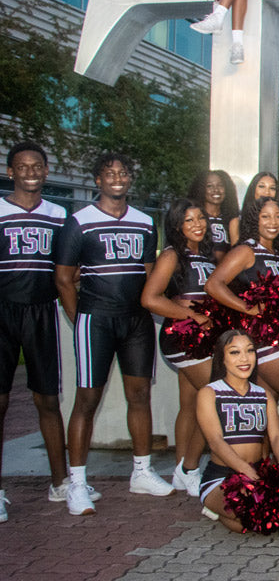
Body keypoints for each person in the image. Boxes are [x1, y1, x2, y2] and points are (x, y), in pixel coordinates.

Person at [55, 152, 173, 516]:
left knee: (139, 395)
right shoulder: (79, 222)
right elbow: (63, 278)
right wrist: (82, 320)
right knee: (87, 400)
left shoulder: (143, 222)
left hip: (136, 322)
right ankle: (76, 483)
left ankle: (141, 471)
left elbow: (150, 274)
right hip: (97, 319)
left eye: (123, 172)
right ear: (97, 180)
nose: (117, 178)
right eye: (110, 173)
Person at [0, 142, 71, 522]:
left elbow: (68, 270)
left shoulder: (59, 214)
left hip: (42, 312)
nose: (30, 171)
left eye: (37, 165)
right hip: (3, 311)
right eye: (22, 165)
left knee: (47, 400)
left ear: (45, 171)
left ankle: (60, 482)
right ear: (11, 171)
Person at [140, 199, 218, 498]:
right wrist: (193, 316)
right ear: (176, 226)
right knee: (216, 397)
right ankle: (191, 469)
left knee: (191, 404)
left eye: (201, 218)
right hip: (183, 338)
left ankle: (180, 472)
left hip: (204, 338)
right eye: (189, 220)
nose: (198, 224)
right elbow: (150, 298)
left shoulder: (205, 254)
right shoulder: (172, 255)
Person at [196, 330, 279, 532]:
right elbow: (215, 441)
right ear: (222, 359)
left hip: (257, 474)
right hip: (221, 477)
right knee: (253, 515)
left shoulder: (263, 395)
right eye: (234, 352)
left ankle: (222, 513)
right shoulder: (209, 393)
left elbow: (275, 436)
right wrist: (246, 471)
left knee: (273, 516)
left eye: (250, 351)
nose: (244, 358)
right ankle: (213, 504)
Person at [205, 196, 279, 395]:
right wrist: (249, 308)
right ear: (255, 219)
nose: (273, 222)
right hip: (263, 339)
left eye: (278, 217)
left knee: (267, 404)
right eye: (266, 216)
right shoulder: (246, 250)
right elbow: (213, 284)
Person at [227, 171, 279, 248]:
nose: (267, 192)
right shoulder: (237, 222)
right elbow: (234, 254)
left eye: (272, 188)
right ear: (253, 189)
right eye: (262, 186)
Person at [187, 169, 239, 256]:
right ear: (201, 189)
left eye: (220, 185)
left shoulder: (232, 219)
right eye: (209, 186)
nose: (216, 190)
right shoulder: (195, 220)